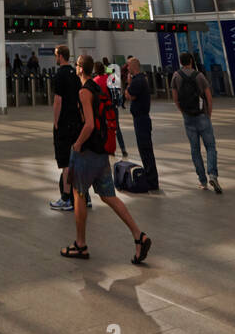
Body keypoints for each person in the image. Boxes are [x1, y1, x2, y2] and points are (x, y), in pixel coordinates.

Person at [59, 54, 150, 265]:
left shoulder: (84, 91)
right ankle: (138, 235)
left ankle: (80, 244)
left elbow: (89, 124)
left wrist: (77, 144)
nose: (75, 68)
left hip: (87, 153)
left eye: (77, 65)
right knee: (109, 196)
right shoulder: (97, 88)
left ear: (81, 69)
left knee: (79, 194)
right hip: (101, 153)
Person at [172, 51, 221, 192]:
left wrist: (183, 112)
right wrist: (208, 113)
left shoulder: (176, 76)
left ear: (181, 62)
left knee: (195, 150)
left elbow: (175, 98)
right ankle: (212, 174)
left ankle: (202, 181)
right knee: (210, 147)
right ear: (191, 61)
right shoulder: (199, 76)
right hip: (202, 115)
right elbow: (209, 96)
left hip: (188, 117)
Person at [49, 45, 82, 211]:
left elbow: (58, 101)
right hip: (75, 121)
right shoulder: (75, 75)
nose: (55, 58)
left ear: (60, 56)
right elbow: (79, 99)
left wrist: (56, 122)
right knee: (75, 158)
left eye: (56, 55)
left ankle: (66, 198)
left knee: (64, 161)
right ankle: (83, 196)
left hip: (64, 123)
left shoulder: (60, 74)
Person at [125, 56, 160, 192]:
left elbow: (129, 95)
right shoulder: (141, 79)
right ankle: (151, 177)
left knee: (145, 149)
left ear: (133, 66)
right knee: (145, 149)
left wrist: (128, 84)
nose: (127, 68)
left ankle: (152, 180)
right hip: (141, 118)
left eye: (128, 66)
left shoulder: (137, 81)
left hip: (141, 119)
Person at [93, 62, 128, 158]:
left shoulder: (95, 81)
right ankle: (123, 149)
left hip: (101, 109)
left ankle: (105, 148)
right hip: (112, 108)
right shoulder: (109, 79)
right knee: (116, 128)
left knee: (103, 129)